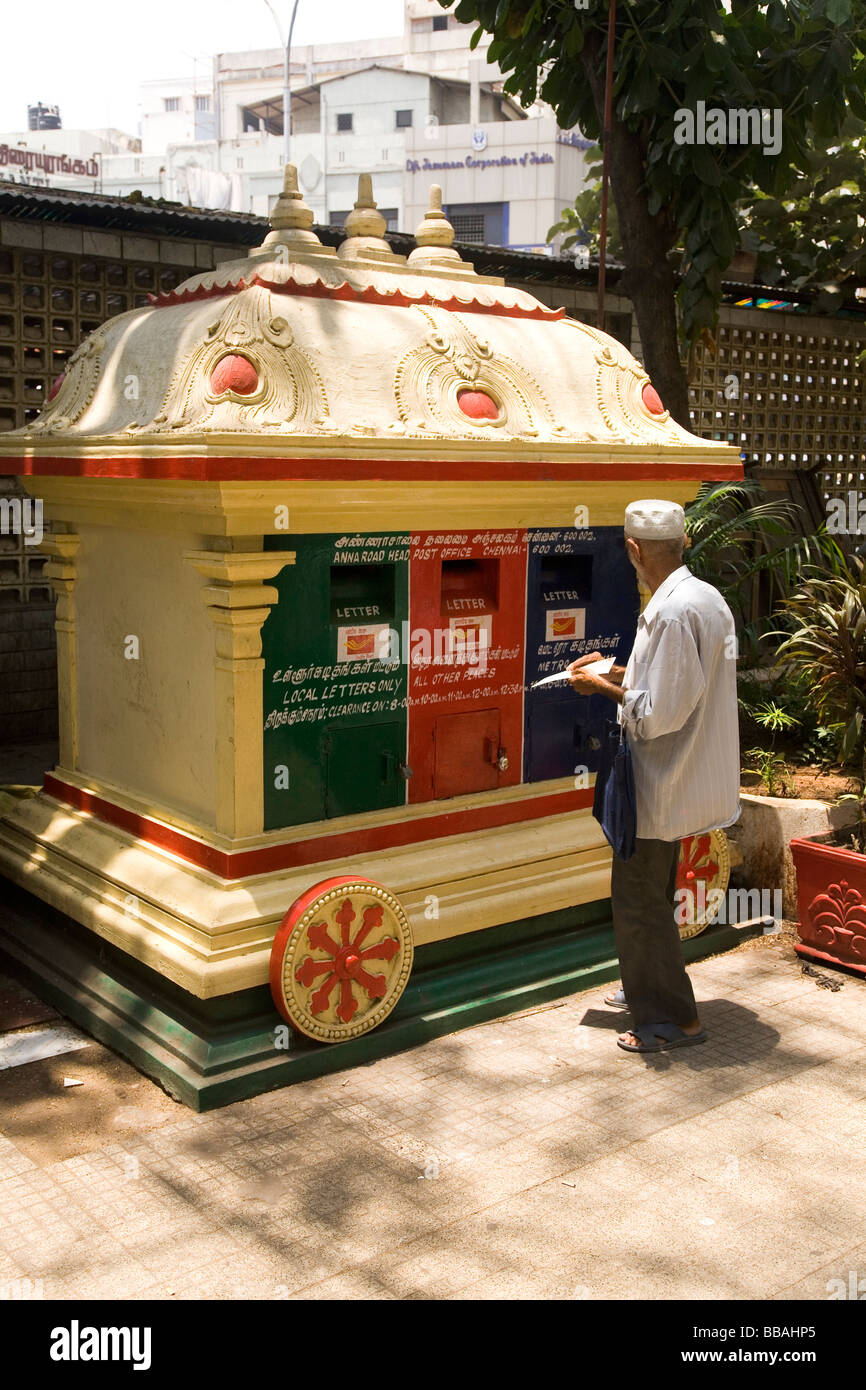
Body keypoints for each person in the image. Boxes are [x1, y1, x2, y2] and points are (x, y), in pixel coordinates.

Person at [568, 499, 740, 1054]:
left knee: (639, 903)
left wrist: (601, 688)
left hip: (660, 781)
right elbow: (678, 680)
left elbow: (656, 712)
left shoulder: (667, 612)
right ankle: (648, 986)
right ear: (683, 543)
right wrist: (616, 670)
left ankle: (671, 1019)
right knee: (654, 899)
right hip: (683, 780)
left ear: (635, 549)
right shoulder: (704, 598)